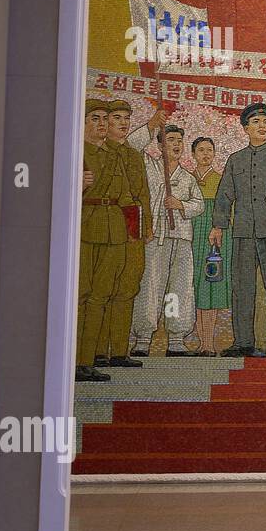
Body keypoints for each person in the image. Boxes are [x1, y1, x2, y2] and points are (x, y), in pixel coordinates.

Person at [211, 103, 266, 358]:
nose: (261, 127)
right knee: (242, 288)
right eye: (255, 123)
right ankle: (243, 341)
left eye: (265, 123)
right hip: (244, 232)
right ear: (245, 128)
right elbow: (225, 194)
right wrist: (218, 224)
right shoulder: (235, 159)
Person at [129, 123, 204, 356]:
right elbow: (132, 145)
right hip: (155, 238)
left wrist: (181, 205)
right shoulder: (150, 167)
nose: (176, 145)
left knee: (178, 289)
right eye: (170, 140)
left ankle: (176, 339)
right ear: (160, 145)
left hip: (180, 239)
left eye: (179, 141)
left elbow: (199, 205)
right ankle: (142, 338)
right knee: (150, 286)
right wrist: (152, 124)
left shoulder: (187, 177)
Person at [77, 99, 132, 382]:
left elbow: (125, 194)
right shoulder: (74, 154)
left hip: (114, 230)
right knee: (80, 295)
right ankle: (73, 360)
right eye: (95, 117)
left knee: (99, 297)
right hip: (85, 227)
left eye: (104, 119)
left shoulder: (114, 156)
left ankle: (86, 361)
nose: (101, 123)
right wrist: (77, 184)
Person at [97, 99, 152, 369]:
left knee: (128, 287)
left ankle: (119, 351)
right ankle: (97, 351)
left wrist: (147, 226)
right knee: (103, 288)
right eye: (116, 118)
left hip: (133, 226)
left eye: (125, 118)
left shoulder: (132, 155)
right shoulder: (98, 152)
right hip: (106, 224)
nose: (122, 123)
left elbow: (143, 193)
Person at [188, 136, 230, 355]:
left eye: (209, 150)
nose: (205, 154)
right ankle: (194, 339)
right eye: (201, 150)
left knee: (211, 284)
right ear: (193, 154)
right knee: (192, 284)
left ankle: (208, 343)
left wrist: (218, 228)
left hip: (214, 233)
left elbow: (225, 209)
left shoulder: (221, 179)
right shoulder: (186, 178)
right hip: (191, 232)